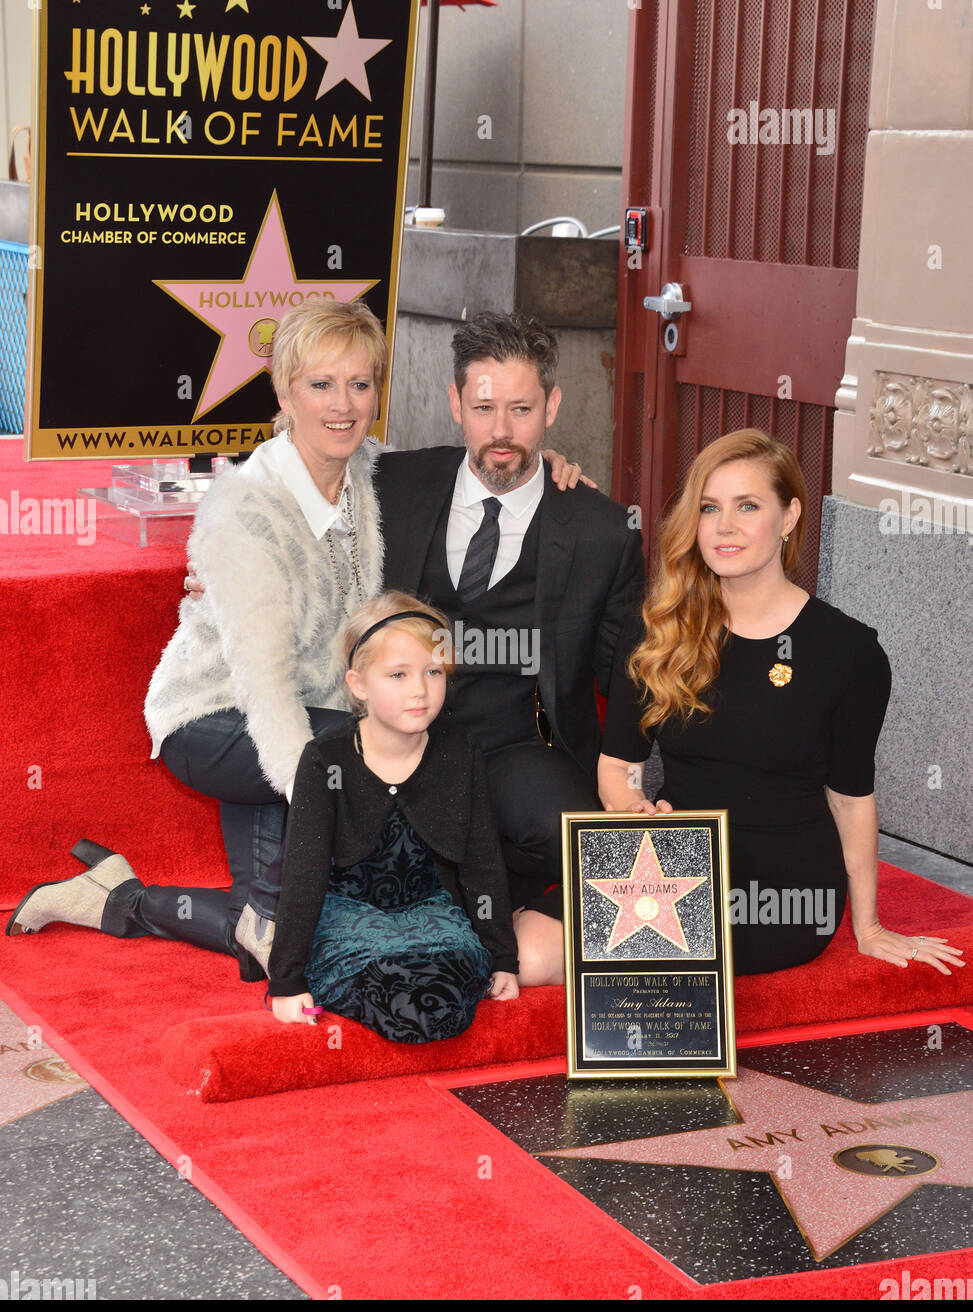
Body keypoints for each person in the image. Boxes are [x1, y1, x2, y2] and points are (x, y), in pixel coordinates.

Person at [6, 302, 586, 977]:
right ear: (284, 392)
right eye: (320, 384)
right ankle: (248, 909)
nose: (341, 405)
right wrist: (344, 799)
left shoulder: (375, 473)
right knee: (342, 814)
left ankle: (119, 897)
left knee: (280, 940)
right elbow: (265, 689)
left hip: (319, 715)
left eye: (359, 385)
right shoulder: (245, 508)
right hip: (220, 716)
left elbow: (481, 464)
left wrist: (546, 467)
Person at [594, 428, 963, 978]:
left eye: (748, 506)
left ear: (789, 517)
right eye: (709, 507)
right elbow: (620, 766)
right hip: (671, 861)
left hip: (783, 890)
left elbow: (851, 798)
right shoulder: (656, 631)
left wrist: (869, 926)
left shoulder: (848, 650)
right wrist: (634, 815)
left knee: (626, 953)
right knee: (532, 943)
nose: (724, 527)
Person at [371, 311, 645, 979]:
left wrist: (626, 771)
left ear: (551, 406)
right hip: (400, 738)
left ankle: (503, 909)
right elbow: (293, 482)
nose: (501, 432)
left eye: (520, 409)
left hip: (519, 744)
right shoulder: (391, 485)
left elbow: (634, 668)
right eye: (484, 407)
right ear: (454, 404)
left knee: (610, 868)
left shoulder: (600, 530)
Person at [255, 591, 519, 1041]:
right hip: (349, 916)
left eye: (433, 672)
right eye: (398, 674)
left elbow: (482, 863)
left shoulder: (461, 752)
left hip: (429, 913)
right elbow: (305, 874)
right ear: (359, 685)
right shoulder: (326, 759)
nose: (419, 690)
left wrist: (502, 957)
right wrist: (287, 979)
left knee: (443, 995)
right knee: (394, 993)